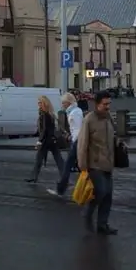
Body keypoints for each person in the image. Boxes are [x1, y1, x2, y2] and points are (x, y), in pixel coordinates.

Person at [77, 90, 117, 235]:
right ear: (97, 104)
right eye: (105, 104)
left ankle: (102, 224)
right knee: (100, 192)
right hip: (94, 164)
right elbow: (82, 144)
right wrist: (83, 166)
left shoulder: (108, 118)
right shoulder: (89, 119)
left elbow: (113, 137)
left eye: (109, 104)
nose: (108, 106)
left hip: (108, 164)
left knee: (108, 196)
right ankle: (87, 214)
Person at [48, 92, 83, 197]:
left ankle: (61, 189)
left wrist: (73, 140)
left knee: (68, 166)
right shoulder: (74, 111)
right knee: (78, 167)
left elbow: (78, 129)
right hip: (78, 141)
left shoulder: (74, 113)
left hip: (77, 142)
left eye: (63, 103)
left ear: (68, 102)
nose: (62, 105)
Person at [26, 96, 64, 183]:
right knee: (58, 159)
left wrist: (40, 141)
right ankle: (64, 176)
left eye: (40, 102)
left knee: (39, 159)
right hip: (52, 140)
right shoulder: (50, 114)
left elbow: (44, 129)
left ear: (44, 103)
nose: (38, 104)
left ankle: (33, 177)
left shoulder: (44, 114)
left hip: (46, 141)